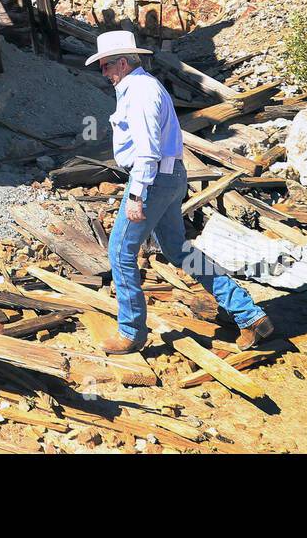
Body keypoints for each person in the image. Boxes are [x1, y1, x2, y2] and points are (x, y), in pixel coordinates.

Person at [86, 30, 275, 354]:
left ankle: (131, 333)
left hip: (154, 179)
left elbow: (147, 150)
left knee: (120, 252)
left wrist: (135, 196)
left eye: (105, 66)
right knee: (177, 249)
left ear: (121, 62)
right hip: (170, 177)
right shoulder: (142, 87)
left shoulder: (140, 92)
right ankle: (249, 314)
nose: (103, 73)